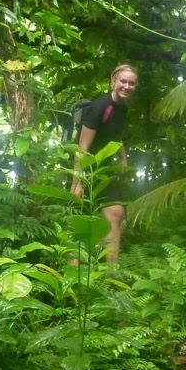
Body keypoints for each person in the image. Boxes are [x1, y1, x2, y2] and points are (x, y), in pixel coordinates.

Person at [70, 63, 139, 264]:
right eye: (123, 81)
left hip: (104, 166)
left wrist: (123, 158)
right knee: (81, 222)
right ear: (113, 81)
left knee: (116, 213)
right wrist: (78, 182)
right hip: (86, 166)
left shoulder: (122, 107)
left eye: (131, 83)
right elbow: (82, 147)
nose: (127, 86)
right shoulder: (100, 107)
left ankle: (111, 272)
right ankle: (73, 272)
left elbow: (115, 136)